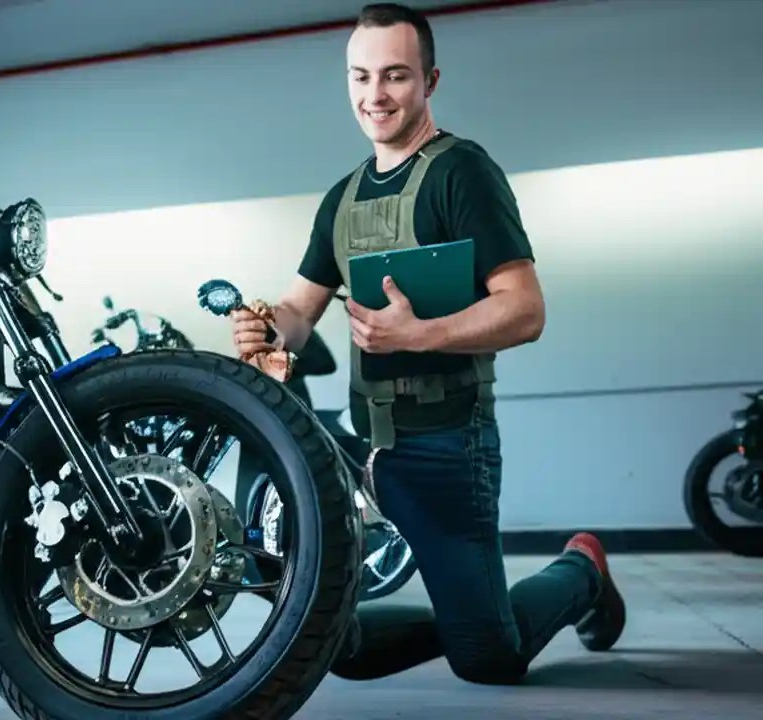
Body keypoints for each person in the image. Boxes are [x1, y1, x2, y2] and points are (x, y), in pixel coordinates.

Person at [230, 2, 625, 685]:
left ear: (429, 81)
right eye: (360, 76)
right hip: (369, 453)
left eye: (395, 76)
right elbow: (300, 309)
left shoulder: (462, 173)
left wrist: (422, 334)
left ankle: (581, 569)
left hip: (450, 446)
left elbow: (525, 310)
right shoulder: (342, 198)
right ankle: (478, 618)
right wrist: (267, 329)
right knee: (338, 647)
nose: (374, 95)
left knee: (488, 660)